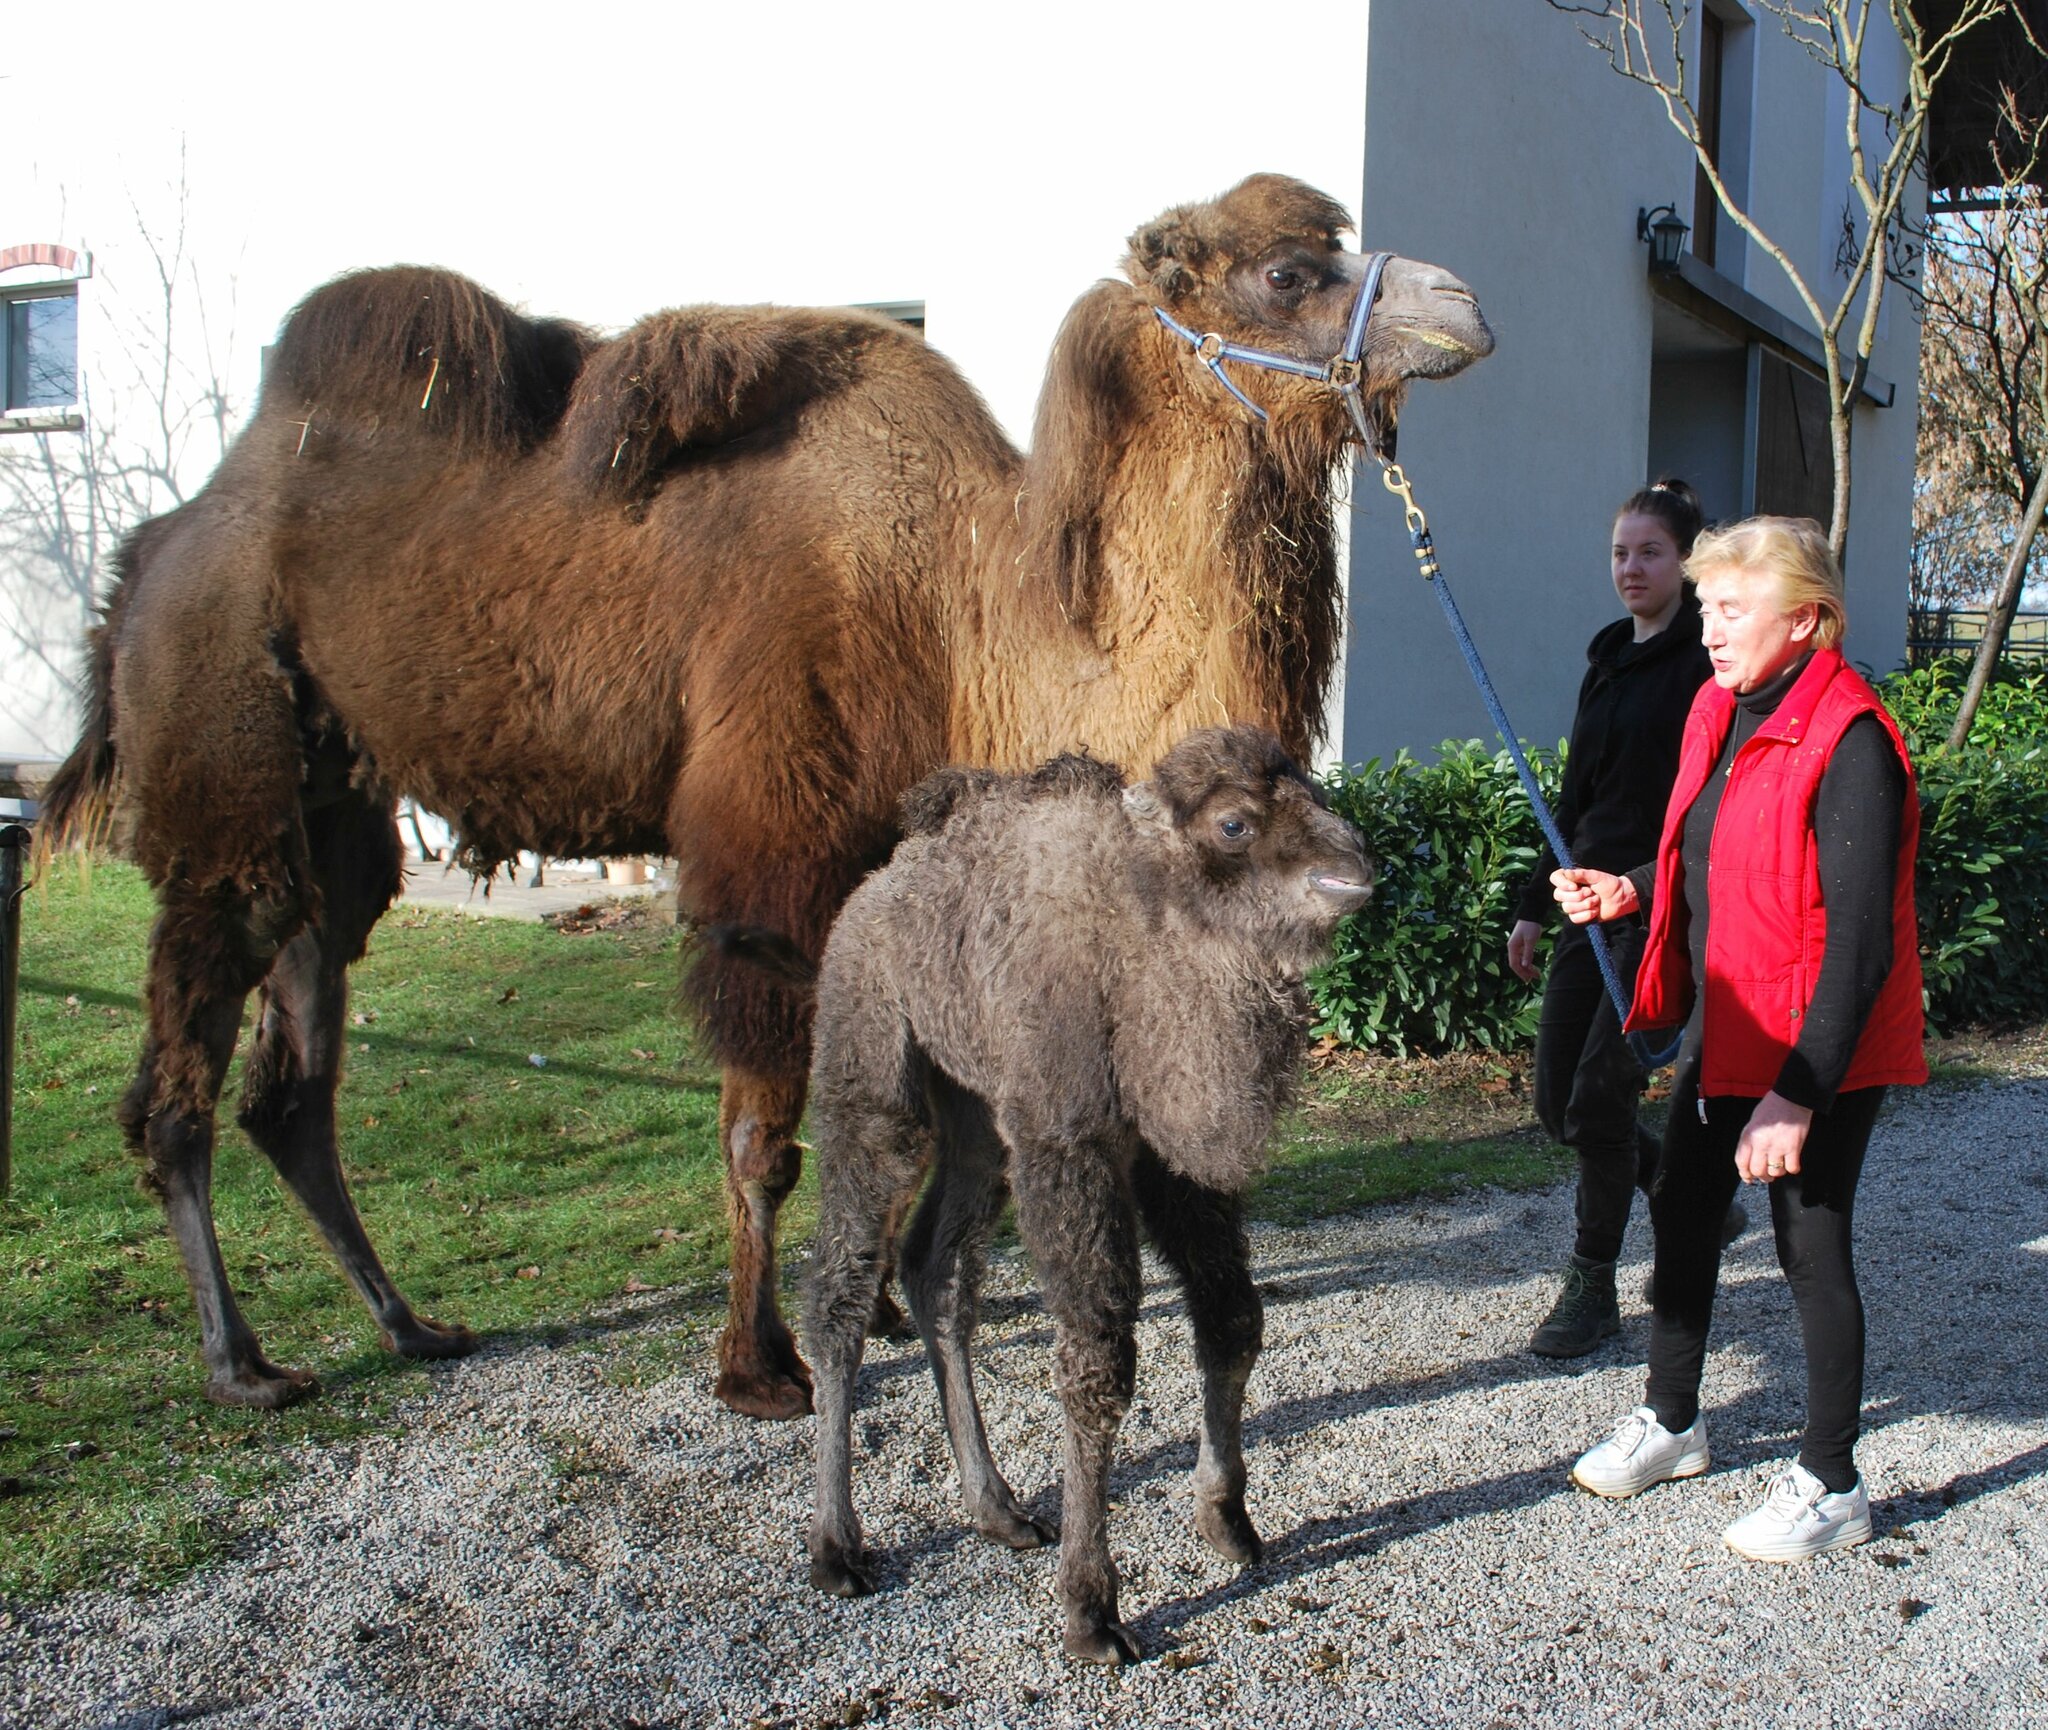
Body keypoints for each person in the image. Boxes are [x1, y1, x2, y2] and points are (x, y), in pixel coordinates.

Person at [1556, 516, 1925, 1562]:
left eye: (1732, 609)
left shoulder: (1851, 738)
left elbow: (1859, 946)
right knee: (1679, 1205)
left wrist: (1795, 1095)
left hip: (1823, 1040)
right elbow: (1712, 862)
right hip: (1734, 1015)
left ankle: (1830, 1479)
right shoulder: (1716, 710)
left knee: (1809, 1244)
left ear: (1804, 619)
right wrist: (1621, 891)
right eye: (1705, 606)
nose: (1709, 629)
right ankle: (1673, 1422)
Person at [1508, 479, 1730, 1359]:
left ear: (1686, 562)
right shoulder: (1606, 658)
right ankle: (1683, 1190)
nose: (1631, 568)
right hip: (1581, 904)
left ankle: (1592, 1282)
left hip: (1652, 904)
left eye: (1650, 552)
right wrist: (1534, 903)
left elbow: (1707, 802)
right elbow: (1576, 796)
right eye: (1620, 553)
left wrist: (1638, 886)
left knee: (1602, 1090)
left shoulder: (1699, 666)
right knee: (1556, 1103)